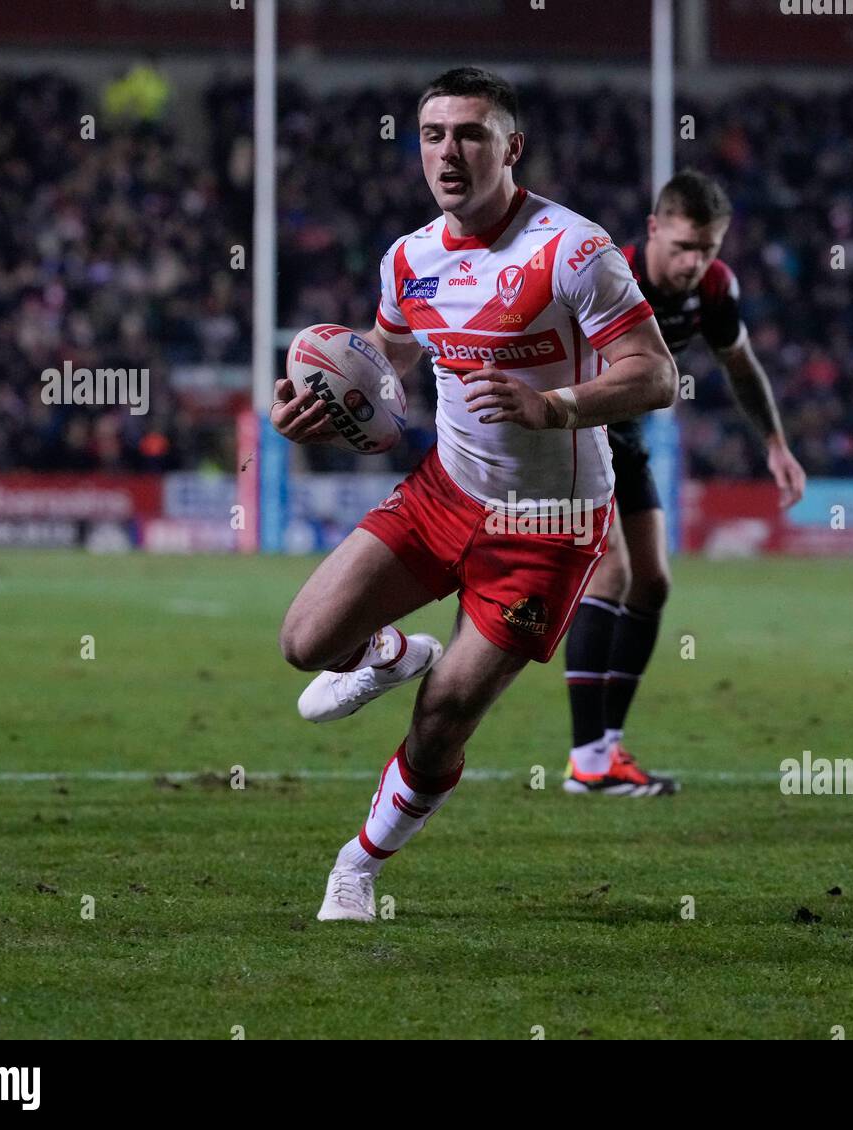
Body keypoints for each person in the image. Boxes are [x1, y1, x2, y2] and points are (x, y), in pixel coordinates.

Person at [271, 67, 677, 922]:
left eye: (469, 134)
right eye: (432, 135)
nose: (449, 152)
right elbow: (387, 358)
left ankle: (358, 865)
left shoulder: (572, 249)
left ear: (510, 147)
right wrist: (322, 409)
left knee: (446, 714)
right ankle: (388, 652)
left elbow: (656, 375)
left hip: (550, 523)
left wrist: (555, 405)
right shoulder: (408, 258)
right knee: (306, 643)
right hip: (444, 492)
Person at [561, 170, 806, 795]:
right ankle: (587, 762)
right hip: (572, 428)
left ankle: (606, 751)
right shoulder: (609, 274)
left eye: (708, 249)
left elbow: (740, 366)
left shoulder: (716, 290)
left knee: (654, 582)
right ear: (652, 232)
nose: (695, 263)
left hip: (626, 435)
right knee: (613, 572)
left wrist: (775, 444)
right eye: (682, 247)